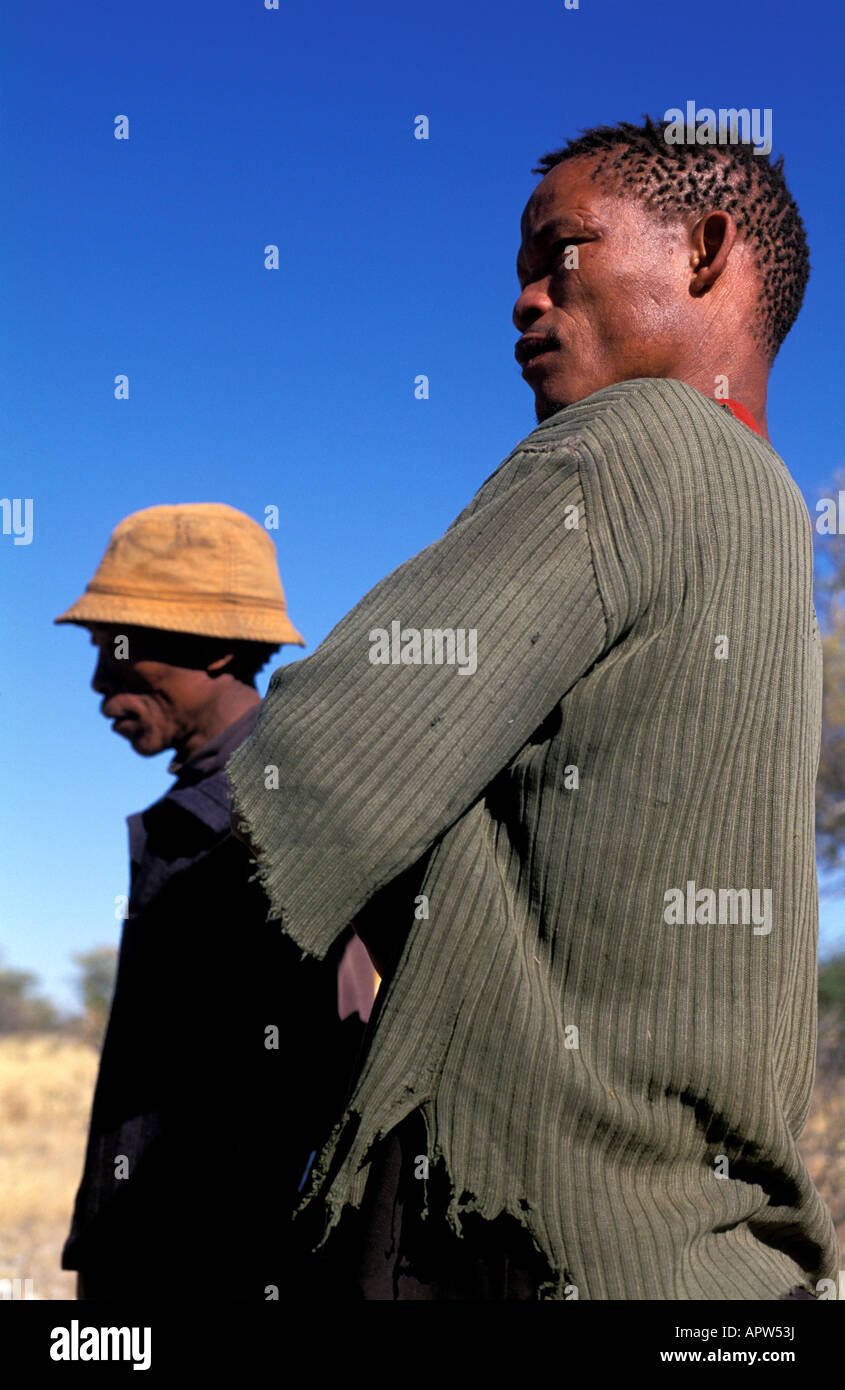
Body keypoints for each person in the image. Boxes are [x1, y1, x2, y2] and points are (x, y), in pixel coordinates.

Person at [227, 118, 839, 1299]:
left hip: (518, 1238)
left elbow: (309, 771)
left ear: (706, 250)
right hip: (709, 1269)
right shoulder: (764, 505)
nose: (520, 300)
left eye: (555, 252)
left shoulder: (636, 443)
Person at [56, 502, 374, 1299]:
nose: (100, 683)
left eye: (119, 649)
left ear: (219, 647)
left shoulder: (291, 819)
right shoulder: (200, 815)